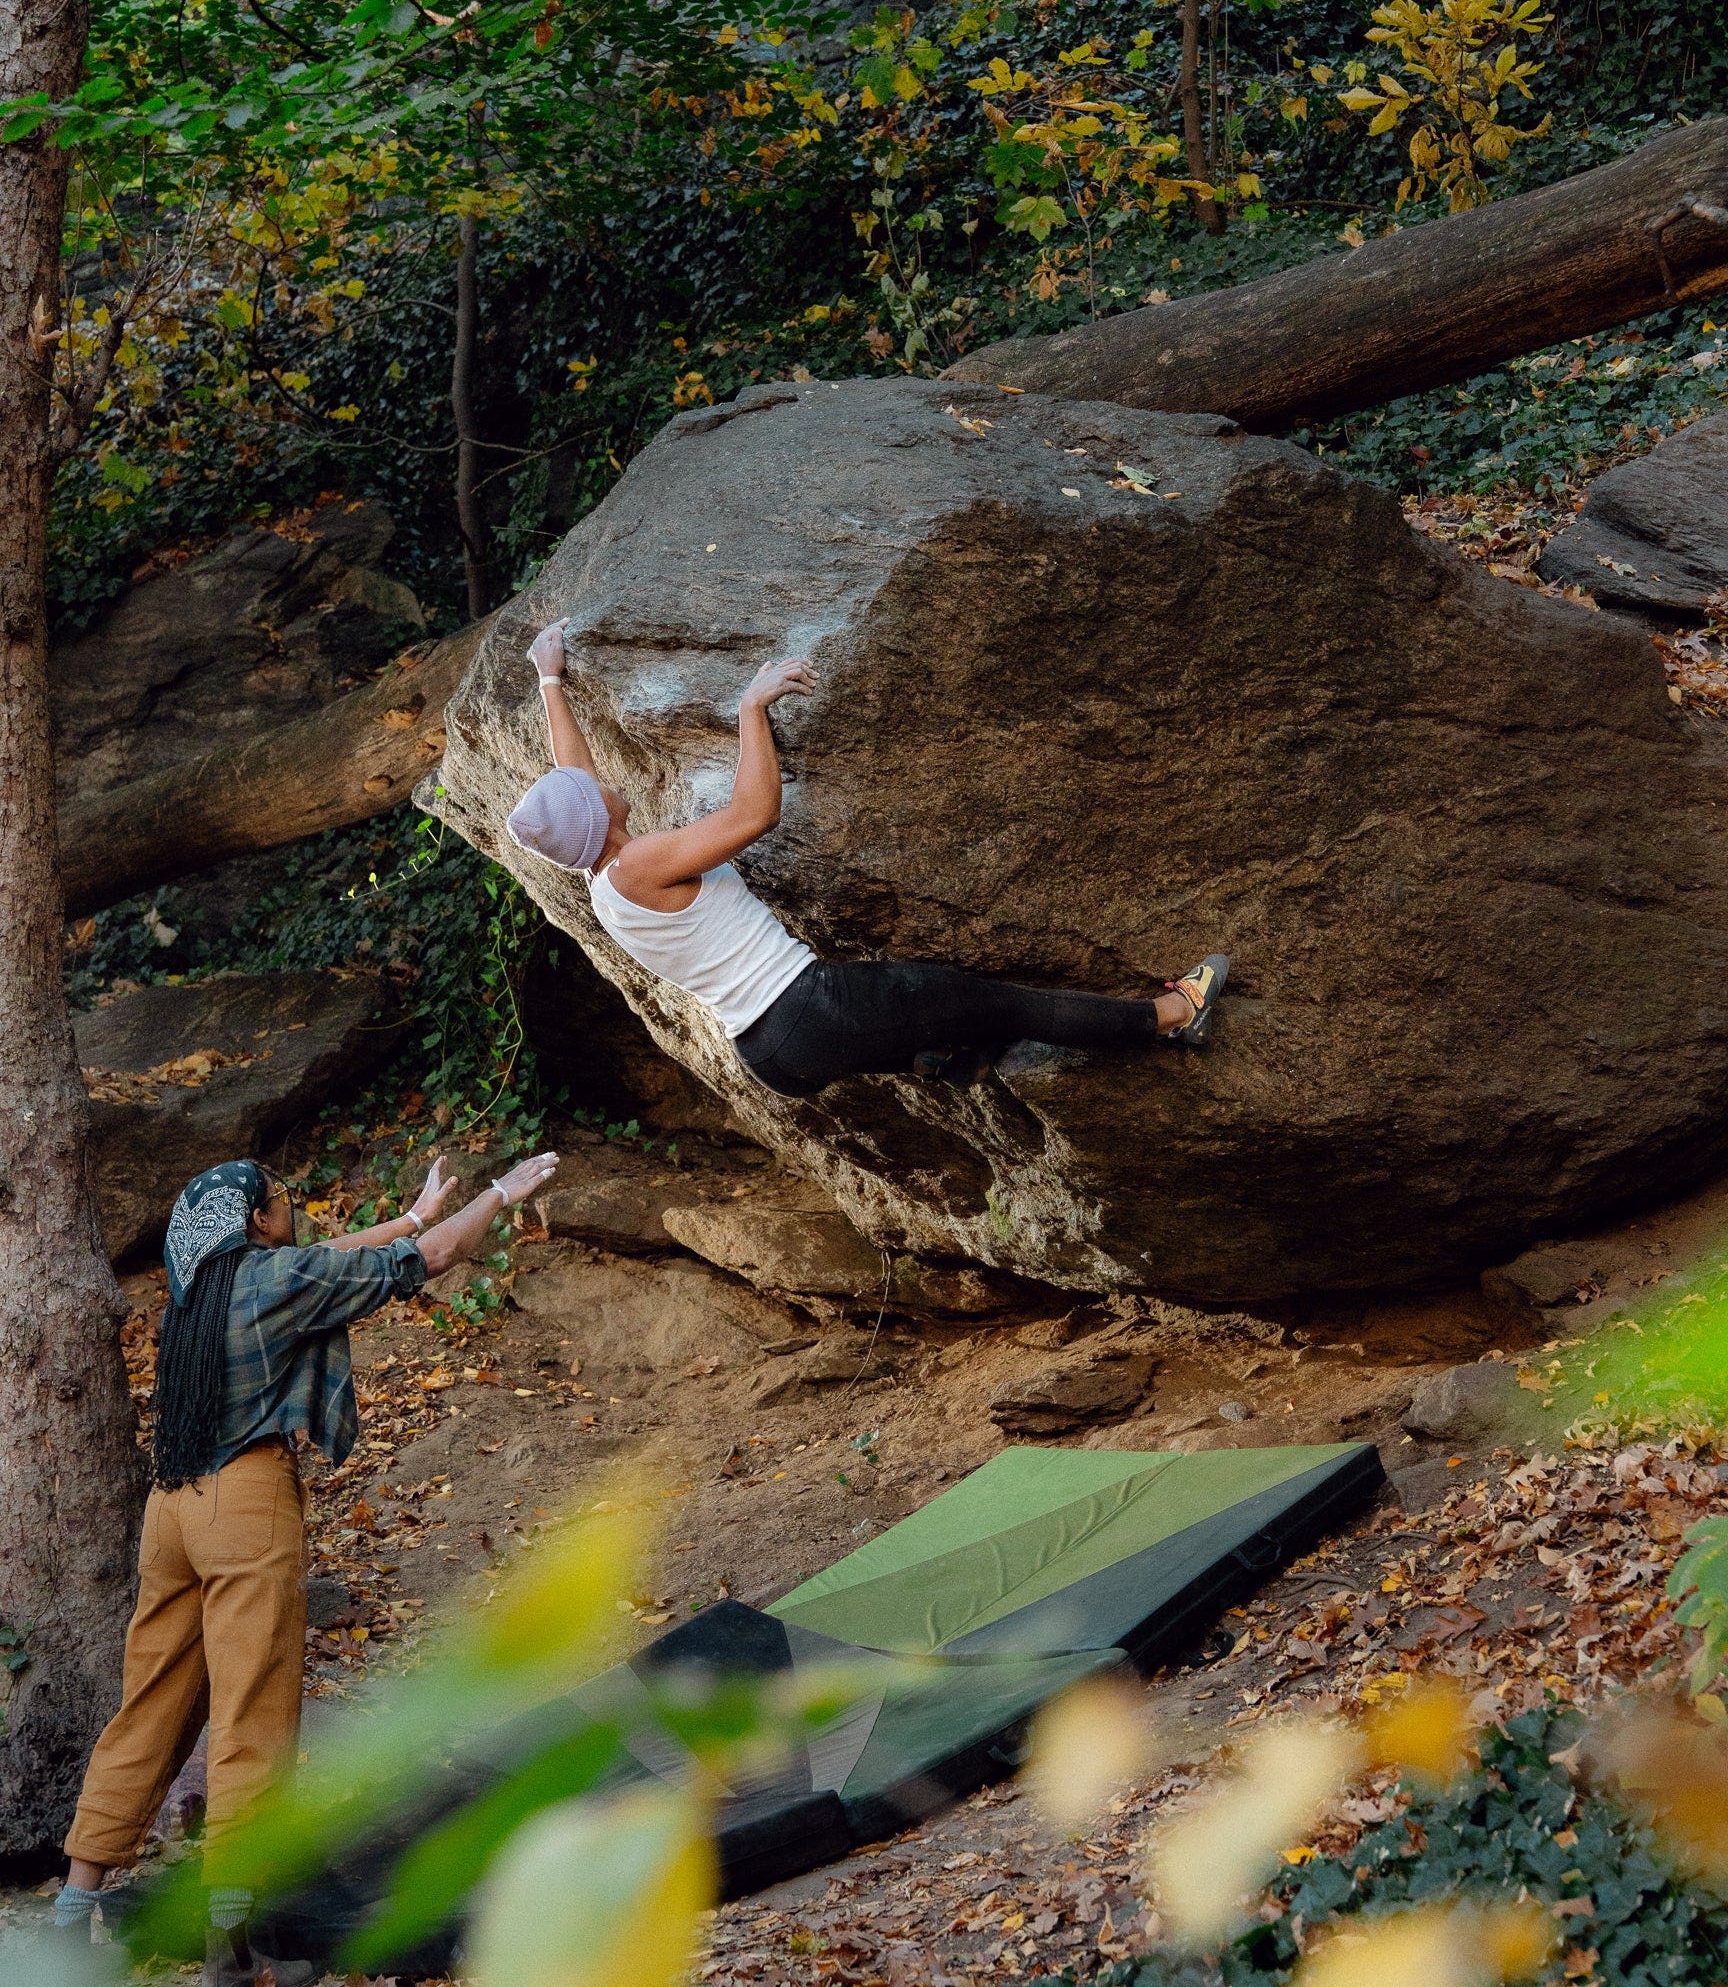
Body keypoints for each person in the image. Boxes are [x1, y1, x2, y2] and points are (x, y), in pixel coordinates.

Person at [53, 1146, 558, 1986]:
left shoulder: (197, 1292)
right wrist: (500, 1194)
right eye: (283, 1200)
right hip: (244, 1505)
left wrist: (413, 1213)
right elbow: (428, 1265)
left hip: (169, 1510)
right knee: (251, 1711)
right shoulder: (273, 1285)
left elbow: (333, 1259)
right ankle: (232, 1950)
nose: (294, 1208)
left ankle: (72, 1916)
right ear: (256, 1222)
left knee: (148, 1708)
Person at [506, 620, 1229, 1097]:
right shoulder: (641, 863)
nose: (595, 775)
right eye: (590, 789)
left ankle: (946, 1055)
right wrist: (751, 710)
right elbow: (755, 815)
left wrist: (550, 681)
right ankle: (1174, 1012)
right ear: (596, 818)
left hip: (773, 1056)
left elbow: (572, 780)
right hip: (814, 1010)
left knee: (951, 1014)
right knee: (1008, 1002)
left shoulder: (603, 881)